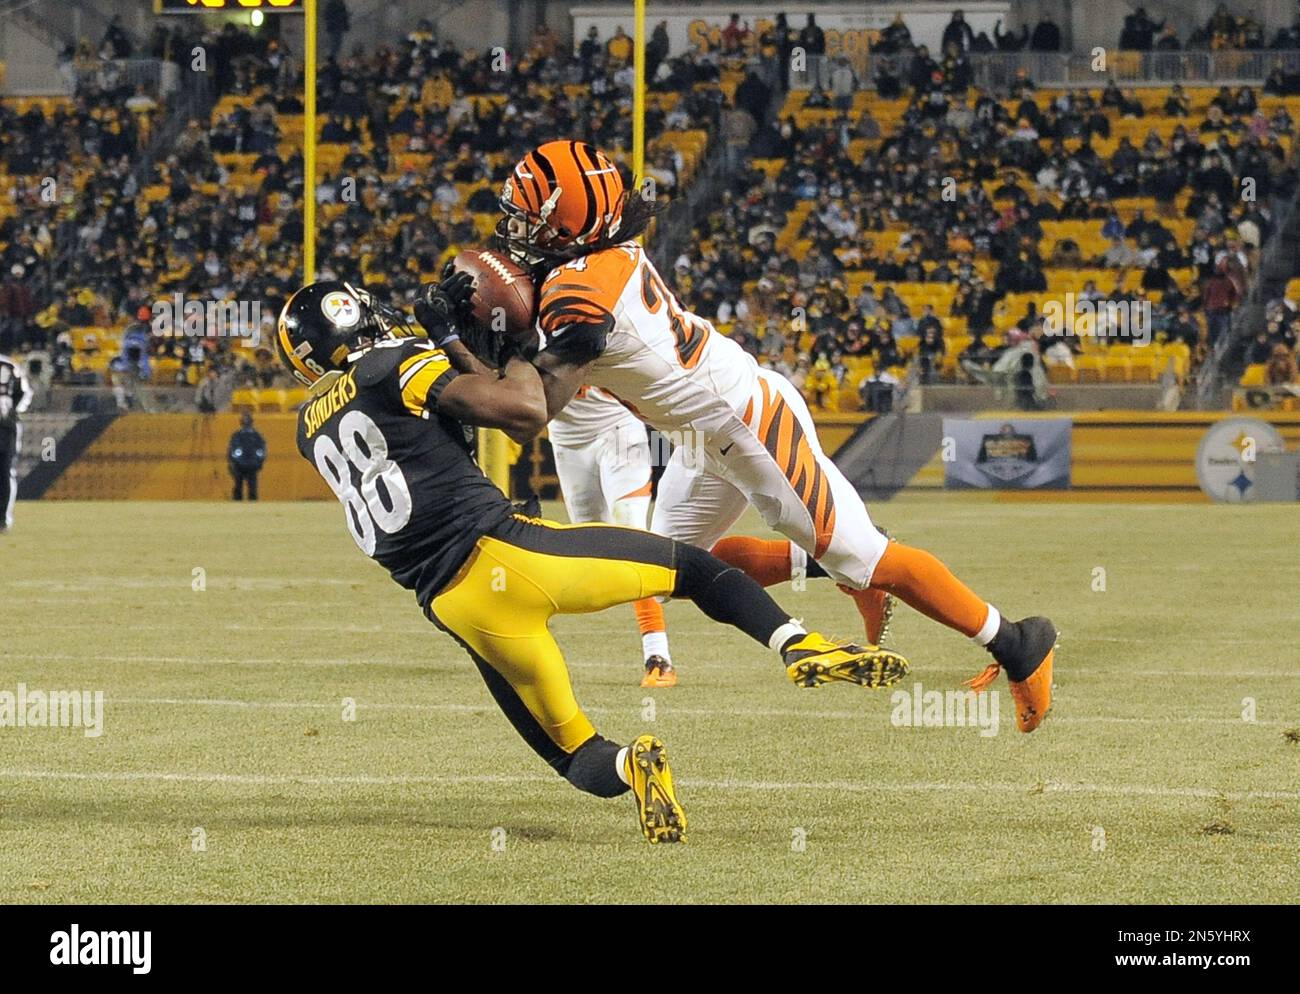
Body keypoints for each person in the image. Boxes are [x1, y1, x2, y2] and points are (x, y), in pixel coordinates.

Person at [275, 276, 907, 844]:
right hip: (511, 553)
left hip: (458, 610)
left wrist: (452, 344)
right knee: (693, 567)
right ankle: (798, 645)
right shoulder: (394, 364)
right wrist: (504, 343)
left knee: (573, 753)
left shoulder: (310, 426)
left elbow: (437, 424)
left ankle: (633, 766)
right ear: (356, 319)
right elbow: (519, 411)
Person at [495, 140, 1059, 732]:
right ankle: (825, 565)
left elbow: (532, 407)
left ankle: (1018, 642)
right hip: (701, 435)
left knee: (866, 557)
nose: (519, 227)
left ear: (572, 224)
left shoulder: (582, 291)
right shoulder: (593, 259)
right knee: (680, 570)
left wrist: (468, 349)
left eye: (534, 216)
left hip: (750, 423)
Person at [549, 387, 677, 687]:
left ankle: (658, 655)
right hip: (567, 442)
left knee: (631, 537)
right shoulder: (511, 339)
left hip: (617, 431)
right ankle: (683, 573)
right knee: (595, 551)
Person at [0, 352, 33, 533]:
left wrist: (13, 411)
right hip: (6, 424)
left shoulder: (9, 365)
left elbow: (25, 392)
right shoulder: (9, 365)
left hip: (4, 426)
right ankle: (3, 519)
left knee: (4, 473)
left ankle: (3, 519)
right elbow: (25, 393)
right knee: (5, 474)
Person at [228, 412, 266, 501]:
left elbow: (262, 450)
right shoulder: (237, 436)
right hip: (239, 465)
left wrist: (258, 461)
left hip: (252, 465)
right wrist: (233, 462)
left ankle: (252, 504)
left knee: (252, 487)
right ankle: (238, 503)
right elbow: (231, 450)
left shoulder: (256, 436)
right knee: (238, 486)